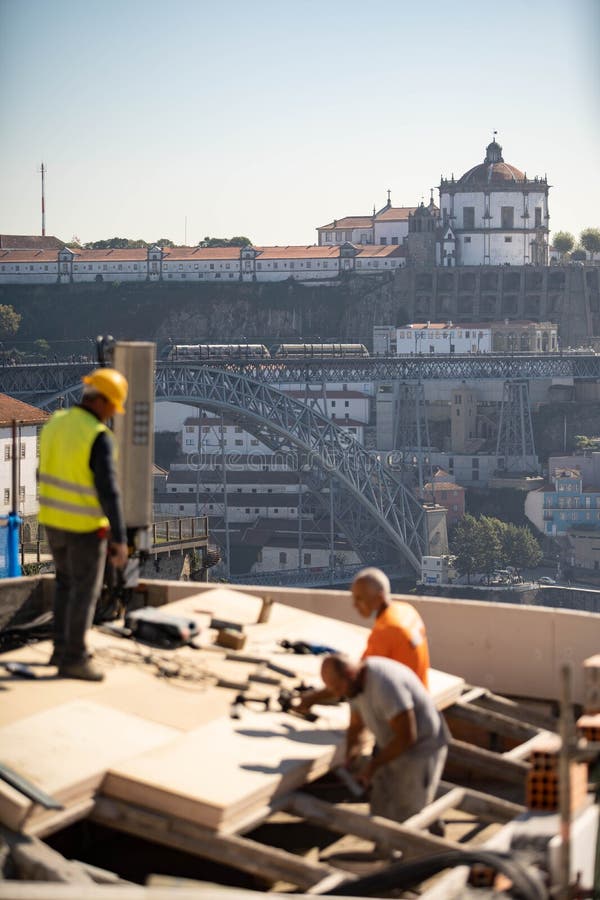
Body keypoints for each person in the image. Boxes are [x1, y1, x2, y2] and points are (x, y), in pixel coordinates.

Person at [38, 368, 129, 682]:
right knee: (85, 592)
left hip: (52, 522)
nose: (112, 414)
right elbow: (109, 491)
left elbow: (42, 471)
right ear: (100, 401)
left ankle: (59, 650)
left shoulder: (55, 423)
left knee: (64, 585)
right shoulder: (97, 435)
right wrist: (120, 538)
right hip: (85, 527)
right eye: (112, 407)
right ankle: (74, 658)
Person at [321, 653, 448, 826]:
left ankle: (423, 839)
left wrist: (372, 766)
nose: (337, 694)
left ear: (350, 675)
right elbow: (356, 725)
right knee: (382, 806)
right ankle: (386, 842)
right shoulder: (354, 685)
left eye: (337, 687)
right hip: (392, 747)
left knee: (411, 815)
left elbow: (406, 737)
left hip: (421, 750)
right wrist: (350, 755)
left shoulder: (385, 685)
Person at [297, 567, 430, 714]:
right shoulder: (406, 610)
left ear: (379, 597)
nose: (355, 605)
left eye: (360, 599)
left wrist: (312, 697)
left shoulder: (386, 630)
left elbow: (354, 678)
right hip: (421, 694)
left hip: (406, 708)